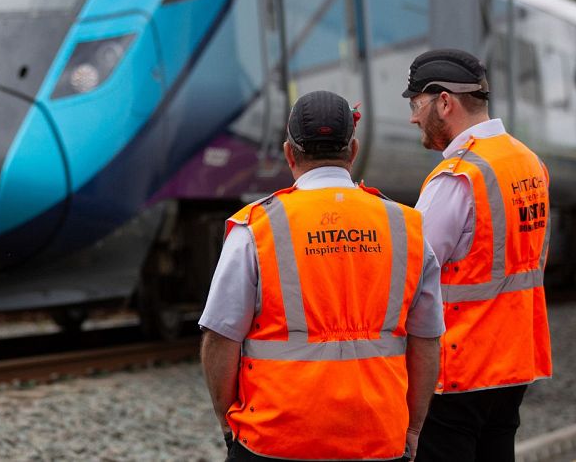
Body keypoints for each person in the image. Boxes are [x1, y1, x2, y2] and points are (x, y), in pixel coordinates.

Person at [200, 90, 444, 462]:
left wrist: (227, 421)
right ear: (354, 149)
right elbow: (427, 340)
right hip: (378, 438)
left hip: (274, 439)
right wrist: (411, 428)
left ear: (289, 153)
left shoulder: (256, 228)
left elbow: (220, 337)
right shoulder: (406, 227)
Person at [402, 49, 552, 462]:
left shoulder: (458, 178)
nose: (414, 117)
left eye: (417, 104)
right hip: (514, 361)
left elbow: (409, 273)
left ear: (444, 102)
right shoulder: (528, 163)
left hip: (459, 367)